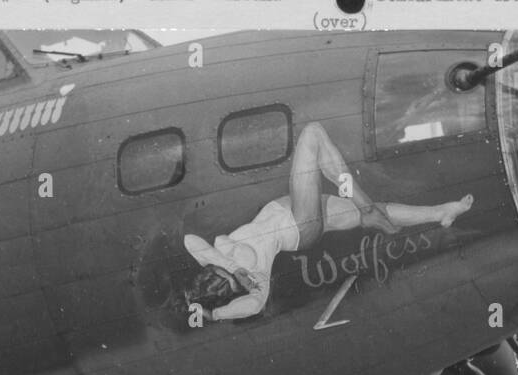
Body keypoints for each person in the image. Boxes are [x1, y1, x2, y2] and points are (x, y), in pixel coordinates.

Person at [183, 120, 474, 320]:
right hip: (299, 222)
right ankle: (366, 205)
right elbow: (254, 306)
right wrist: (218, 313)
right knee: (312, 136)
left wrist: (231, 269)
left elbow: (190, 241)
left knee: (366, 215)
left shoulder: (218, 259)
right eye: (230, 286)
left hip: (295, 216)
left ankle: (441, 212)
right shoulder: (256, 285)